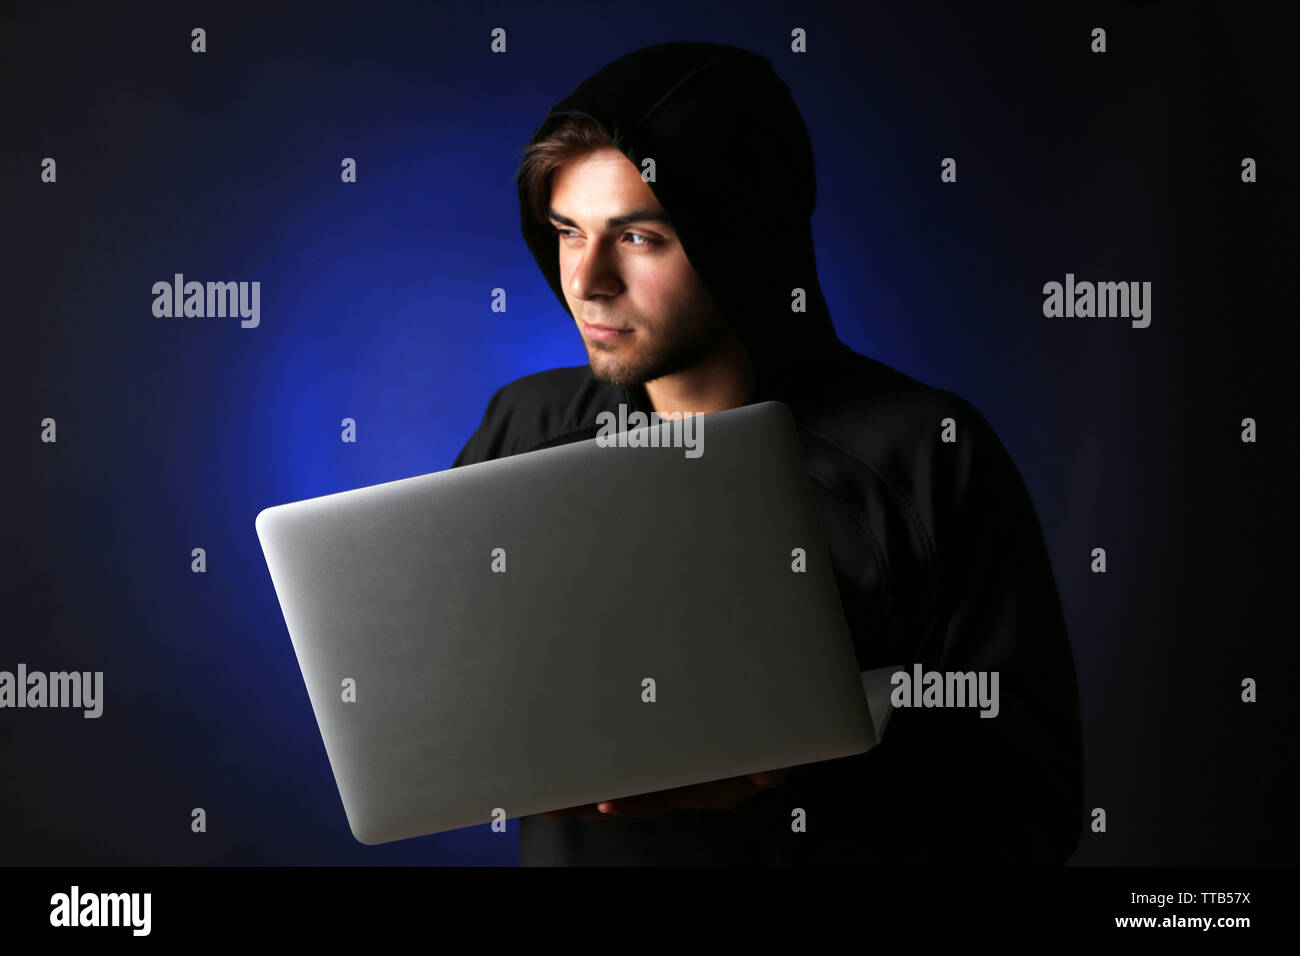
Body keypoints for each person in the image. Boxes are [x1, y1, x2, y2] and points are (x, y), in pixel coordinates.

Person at [452, 40, 1084, 865]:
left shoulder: (927, 452)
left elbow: (1033, 807)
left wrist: (791, 770)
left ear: (741, 241)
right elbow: (444, 693)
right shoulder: (524, 425)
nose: (587, 279)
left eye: (639, 237)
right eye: (568, 231)